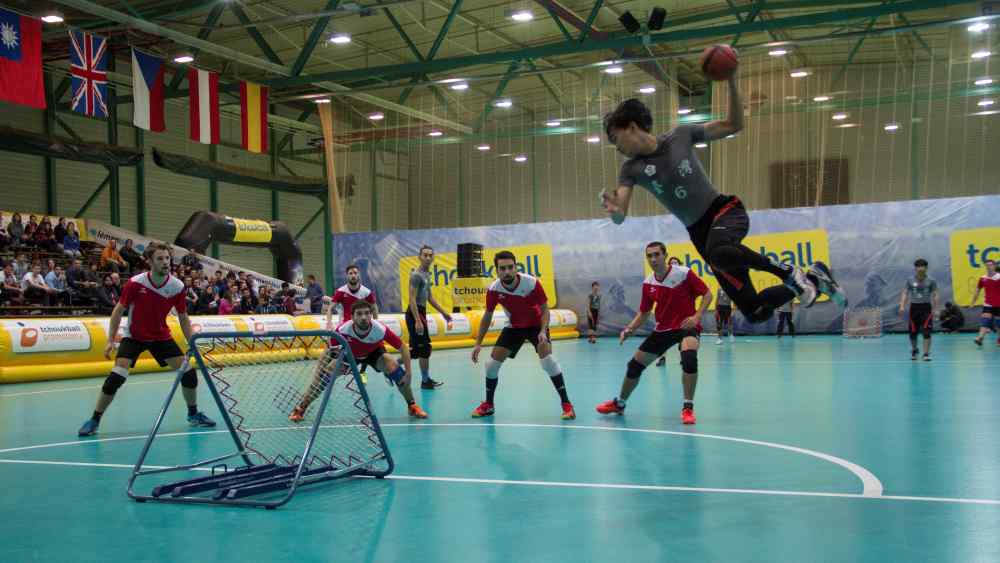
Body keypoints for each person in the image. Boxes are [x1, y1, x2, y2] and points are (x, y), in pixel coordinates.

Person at [599, 85, 845, 327]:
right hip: (700, 234)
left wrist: (730, 79)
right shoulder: (630, 169)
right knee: (755, 311)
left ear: (631, 127)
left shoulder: (680, 135)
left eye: (614, 137)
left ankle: (789, 273)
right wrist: (615, 210)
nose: (615, 146)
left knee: (719, 251)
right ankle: (815, 275)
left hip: (724, 212)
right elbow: (620, 215)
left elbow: (733, 125)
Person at [77, 242, 216, 436]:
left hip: (160, 337)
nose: (165, 262)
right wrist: (110, 340)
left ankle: (193, 414)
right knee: (116, 377)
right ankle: (94, 420)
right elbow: (118, 311)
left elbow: (183, 316)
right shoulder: (136, 283)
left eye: (167, 258)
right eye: (160, 258)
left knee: (189, 374)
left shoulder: (177, 286)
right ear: (149, 261)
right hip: (134, 337)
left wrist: (191, 342)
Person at [596, 242, 712, 425]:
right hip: (663, 329)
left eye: (657, 254)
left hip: (685, 326)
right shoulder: (648, 282)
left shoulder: (683, 273)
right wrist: (629, 329)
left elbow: (707, 294)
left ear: (665, 255)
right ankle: (620, 403)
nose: (653, 259)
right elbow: (644, 312)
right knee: (634, 366)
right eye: (649, 256)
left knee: (689, 359)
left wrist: (697, 316)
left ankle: (688, 408)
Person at [470, 250, 575, 420]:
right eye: (502, 268)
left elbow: (545, 310)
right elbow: (487, 316)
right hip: (514, 326)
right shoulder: (494, 289)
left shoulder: (532, 283)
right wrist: (478, 343)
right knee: (491, 365)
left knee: (548, 361)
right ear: (496, 270)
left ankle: (567, 405)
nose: (507, 272)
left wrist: (542, 331)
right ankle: (488, 405)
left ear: (516, 267)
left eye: (510, 267)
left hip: (536, 326)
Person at [289, 300, 428, 422]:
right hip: (350, 356)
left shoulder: (379, 329)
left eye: (367, 313)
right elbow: (330, 351)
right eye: (359, 314)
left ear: (371, 315)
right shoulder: (343, 330)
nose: (364, 317)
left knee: (397, 371)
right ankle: (301, 408)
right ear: (352, 317)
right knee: (322, 380)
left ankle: (412, 405)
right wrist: (320, 371)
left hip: (374, 353)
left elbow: (403, 347)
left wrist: (409, 373)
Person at [406, 245, 452, 389]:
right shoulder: (416, 275)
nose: (427, 257)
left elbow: (429, 297)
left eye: (430, 255)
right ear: (419, 257)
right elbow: (411, 299)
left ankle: (390, 368)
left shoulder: (427, 275)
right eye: (424, 255)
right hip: (415, 314)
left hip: (421, 312)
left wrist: (443, 312)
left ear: (433, 258)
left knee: (414, 352)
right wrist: (418, 320)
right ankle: (425, 381)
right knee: (424, 349)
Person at [899, 258, 938, 361]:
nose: (921, 269)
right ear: (915, 268)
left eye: (923, 267)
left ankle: (926, 353)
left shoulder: (931, 281)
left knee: (926, 332)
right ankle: (914, 349)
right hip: (914, 308)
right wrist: (902, 305)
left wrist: (936, 308)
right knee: (913, 332)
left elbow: (935, 294)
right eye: (918, 267)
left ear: (926, 268)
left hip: (926, 308)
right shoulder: (910, 280)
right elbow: (905, 293)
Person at [970, 259, 1000, 347]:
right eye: (987, 265)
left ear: (994, 266)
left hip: (999, 304)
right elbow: (977, 290)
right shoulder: (983, 278)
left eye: (990, 265)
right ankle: (980, 338)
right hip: (988, 303)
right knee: (985, 321)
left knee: (998, 323)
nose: (988, 266)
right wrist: (973, 302)